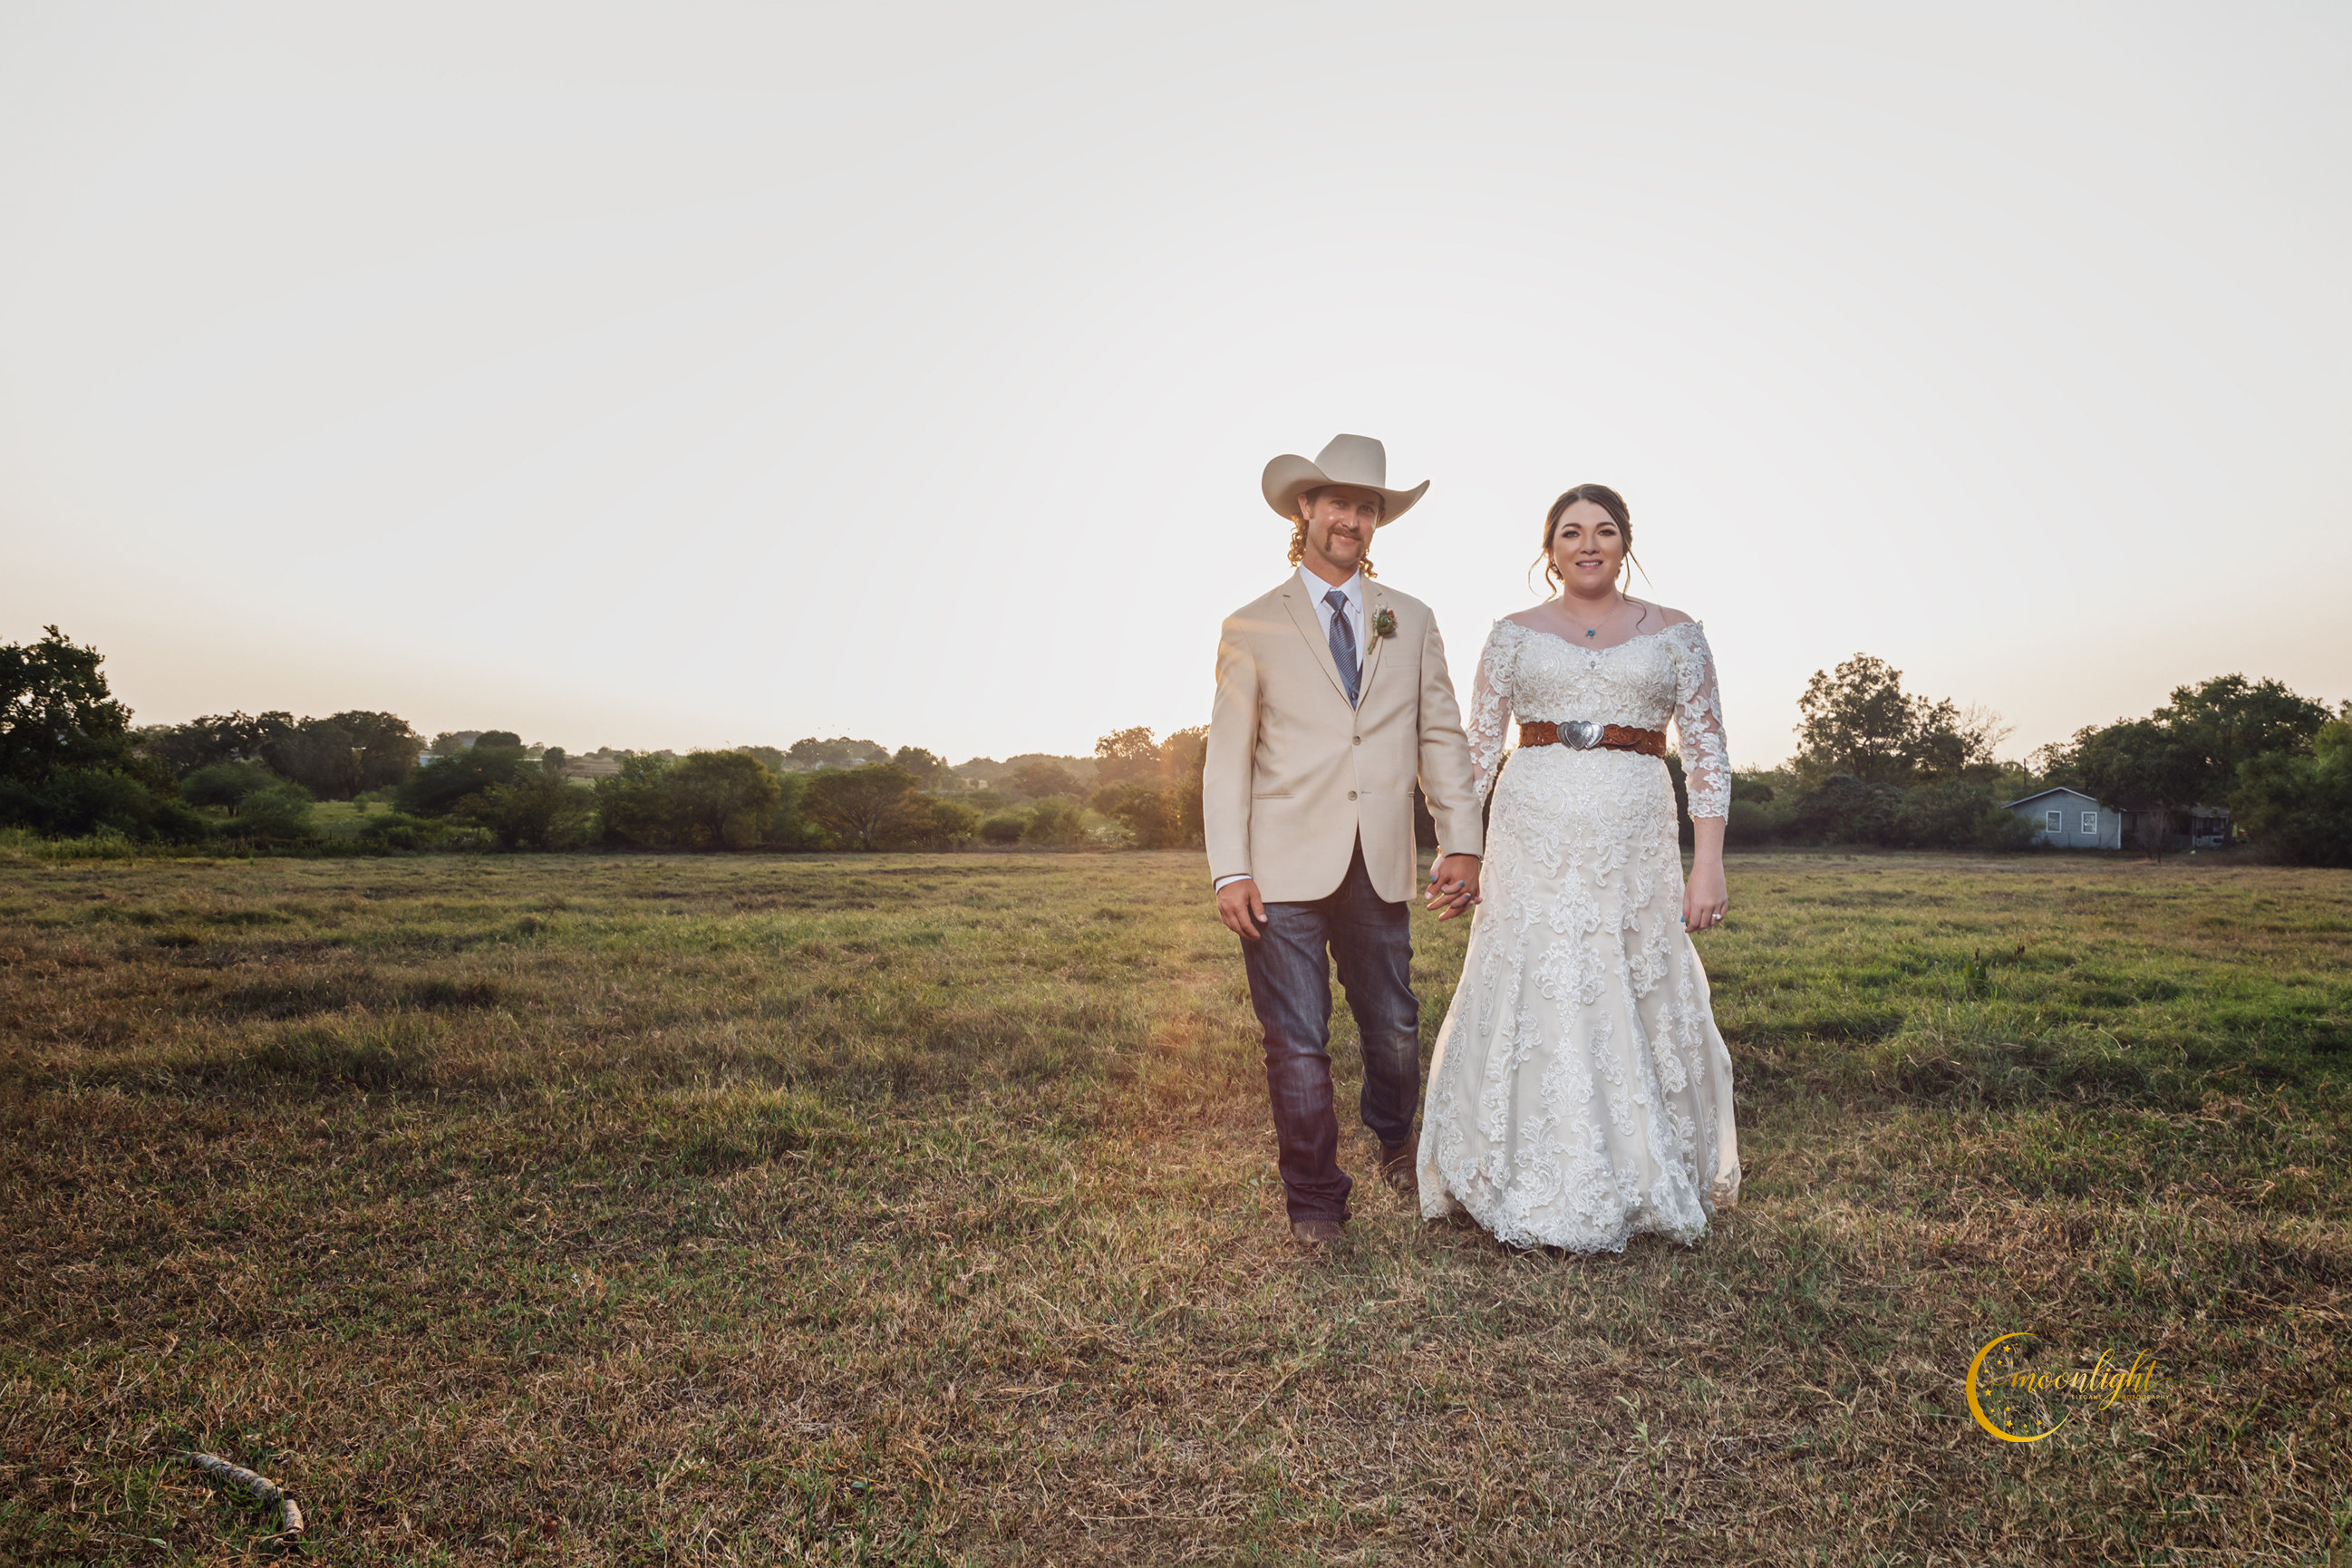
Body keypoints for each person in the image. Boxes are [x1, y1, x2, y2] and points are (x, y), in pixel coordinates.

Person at [1416, 483, 1742, 1252]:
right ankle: (1501, 1165)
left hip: (1633, 829)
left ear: (1626, 542)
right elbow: (1472, 749)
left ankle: (1641, 1170)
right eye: (1570, 532)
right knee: (1530, 972)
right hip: (1529, 826)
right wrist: (1457, 845)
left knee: (1630, 970)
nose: (1587, 544)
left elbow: (1708, 756)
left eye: (1603, 530)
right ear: (1549, 548)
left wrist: (1709, 867)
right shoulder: (1511, 635)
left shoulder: (1678, 634)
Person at [1204, 434, 1487, 1249]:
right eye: (1338, 504)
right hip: (1280, 866)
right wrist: (1231, 869)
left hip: (1379, 859)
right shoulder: (1250, 625)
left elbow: (1441, 733)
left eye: (1367, 508)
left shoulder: (1411, 617)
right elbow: (1226, 761)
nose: (1351, 519)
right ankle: (1316, 1200)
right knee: (1295, 1042)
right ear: (1305, 509)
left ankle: (1396, 1134)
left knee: (1394, 1026)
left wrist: (1460, 840)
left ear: (1376, 522)